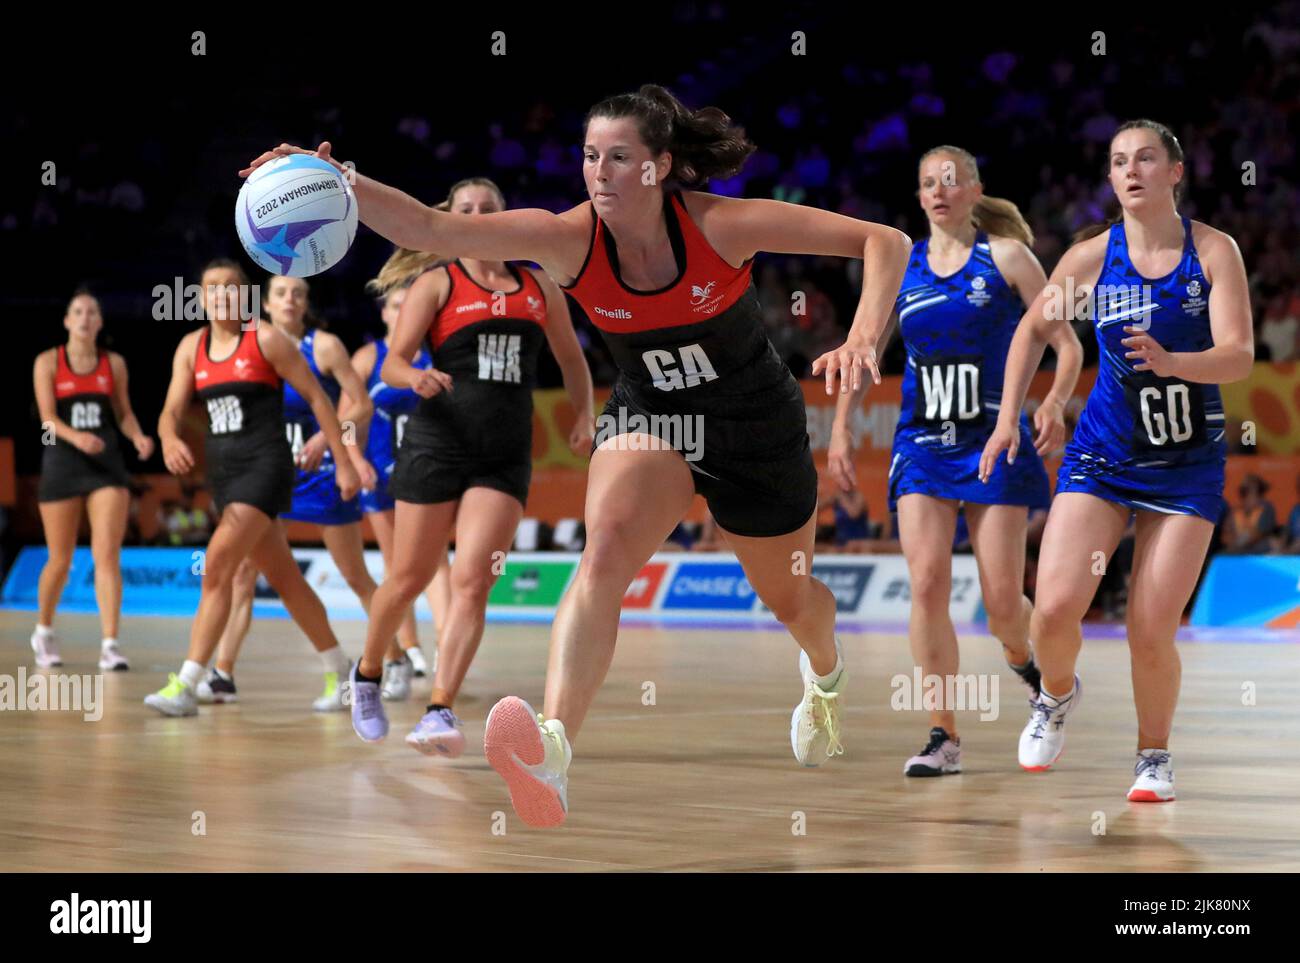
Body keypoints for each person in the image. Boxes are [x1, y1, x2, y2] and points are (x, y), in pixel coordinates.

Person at [242, 83, 909, 826]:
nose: (600, 172)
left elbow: (885, 241)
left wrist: (861, 338)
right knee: (604, 558)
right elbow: (433, 227)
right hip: (653, 416)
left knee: (795, 603)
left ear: (659, 167)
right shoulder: (568, 239)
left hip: (754, 427)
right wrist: (343, 182)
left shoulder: (722, 226)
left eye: (620, 158)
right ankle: (553, 750)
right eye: (591, 156)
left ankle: (825, 677)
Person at [980, 120, 1254, 801]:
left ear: (1175, 171)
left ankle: (1153, 756)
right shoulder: (1091, 260)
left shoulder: (1214, 253)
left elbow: (1240, 354)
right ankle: (1056, 695)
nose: (1130, 171)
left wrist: (1174, 362)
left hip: (1186, 465)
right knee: (1053, 609)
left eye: (1145, 159)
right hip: (1102, 453)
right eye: (1118, 162)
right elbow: (1031, 332)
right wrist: (1007, 416)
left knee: (1150, 627)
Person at [830, 145, 1083, 777]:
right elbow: (864, 355)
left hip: (996, 440)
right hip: (922, 442)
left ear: (974, 189)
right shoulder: (899, 269)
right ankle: (942, 736)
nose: (939, 191)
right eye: (927, 183)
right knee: (926, 584)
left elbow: (1067, 344)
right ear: (918, 198)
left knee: (1002, 601)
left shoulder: (1007, 258)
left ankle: (1035, 670)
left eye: (951, 179)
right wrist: (839, 429)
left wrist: (1051, 401)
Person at [350, 175, 595, 756]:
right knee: (408, 578)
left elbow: (572, 359)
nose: (479, 215)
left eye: (489, 208)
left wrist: (585, 413)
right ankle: (365, 675)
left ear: (506, 216)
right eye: (467, 209)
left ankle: (439, 709)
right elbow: (392, 366)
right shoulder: (436, 283)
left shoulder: (540, 287)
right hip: (438, 444)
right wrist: (416, 377)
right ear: (452, 218)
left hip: (504, 455)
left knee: (473, 580)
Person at [144, 259, 361, 716]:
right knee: (284, 578)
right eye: (212, 289)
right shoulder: (191, 347)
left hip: (265, 469)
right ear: (201, 298)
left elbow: (320, 400)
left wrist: (342, 462)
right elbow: (169, 410)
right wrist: (167, 437)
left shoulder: (265, 339)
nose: (221, 295)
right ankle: (341, 670)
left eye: (230, 288)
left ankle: (187, 684)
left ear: (243, 296)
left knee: (218, 565)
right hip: (223, 476)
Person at [194, 275, 378, 709]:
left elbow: (362, 403)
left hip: (321, 471)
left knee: (353, 574)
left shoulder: (326, 346)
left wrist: (331, 442)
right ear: (266, 302)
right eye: (281, 293)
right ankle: (222, 674)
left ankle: (389, 659)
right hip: (270, 472)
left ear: (306, 301)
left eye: (298, 292)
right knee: (242, 574)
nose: (290, 299)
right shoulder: (250, 345)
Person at [31, 289, 154, 670]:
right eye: (78, 312)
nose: (85, 318)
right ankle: (45, 631)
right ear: (67, 320)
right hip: (62, 463)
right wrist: (77, 438)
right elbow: (47, 420)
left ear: (100, 322)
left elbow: (124, 412)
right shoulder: (48, 361)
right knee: (60, 559)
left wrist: (137, 436)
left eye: (92, 313)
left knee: (107, 555)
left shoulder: (113, 363)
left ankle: (111, 643)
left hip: (106, 466)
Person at [352, 277, 446, 693]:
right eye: (395, 305)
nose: (404, 312)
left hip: (429, 469)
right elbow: (346, 418)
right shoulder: (369, 358)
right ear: (385, 312)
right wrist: (353, 460)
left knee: (437, 561)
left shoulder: (438, 354)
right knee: (398, 567)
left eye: (411, 305)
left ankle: (445, 650)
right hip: (380, 472)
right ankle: (406, 653)